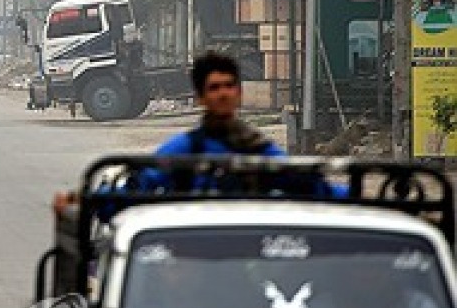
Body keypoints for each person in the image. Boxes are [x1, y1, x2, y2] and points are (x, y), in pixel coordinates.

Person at [52, 52, 340, 214]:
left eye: (229, 86)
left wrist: (361, 197)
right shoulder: (182, 151)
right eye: (214, 88)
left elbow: (309, 187)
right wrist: (85, 201)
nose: (223, 94)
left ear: (239, 93)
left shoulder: (259, 150)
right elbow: (136, 188)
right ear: (201, 97)